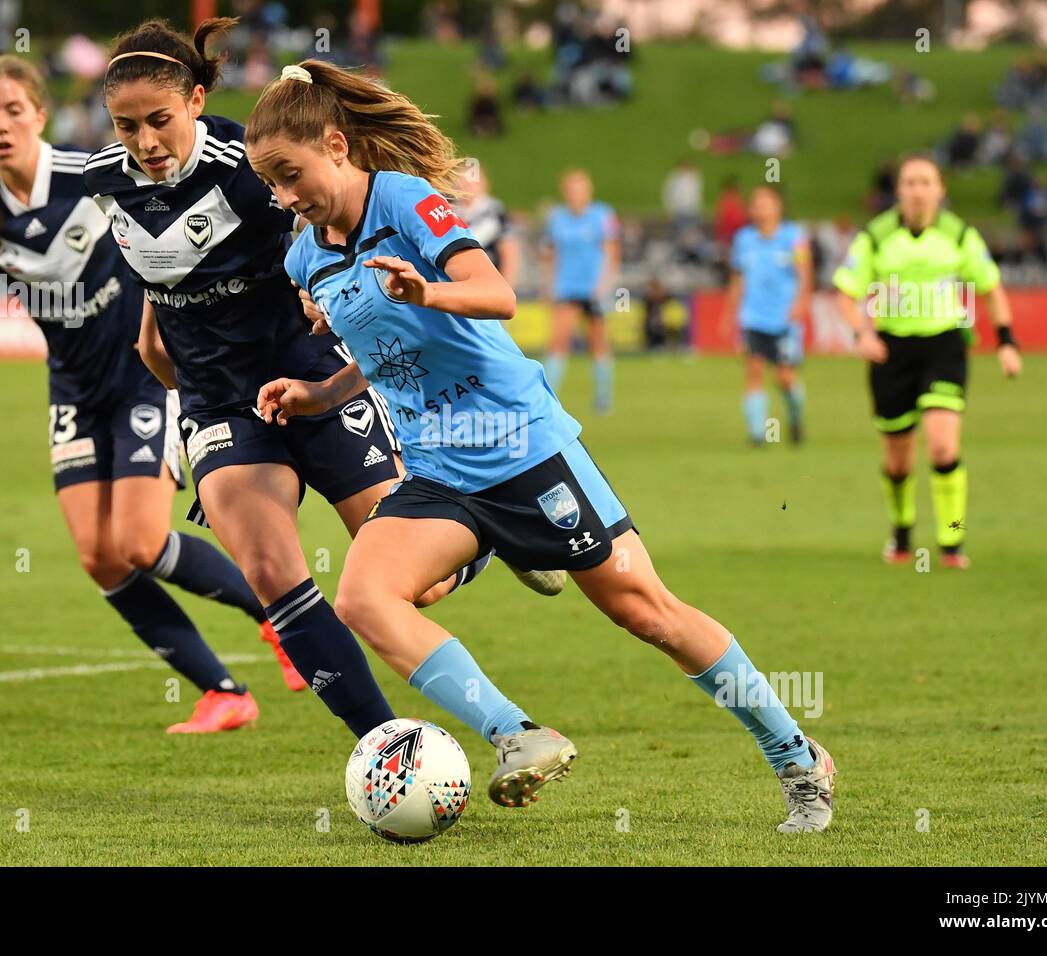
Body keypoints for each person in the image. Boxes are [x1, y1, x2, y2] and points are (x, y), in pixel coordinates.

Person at [248, 60, 837, 832]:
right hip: (434, 464)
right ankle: (518, 735)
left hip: (521, 446)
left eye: (291, 175)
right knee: (364, 596)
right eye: (272, 184)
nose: (286, 197)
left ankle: (799, 758)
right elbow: (388, 349)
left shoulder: (403, 201)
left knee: (645, 611)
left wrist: (429, 291)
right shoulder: (305, 256)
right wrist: (321, 393)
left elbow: (498, 296)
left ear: (336, 144)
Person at [82, 19, 552, 741]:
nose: (144, 142)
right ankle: (386, 748)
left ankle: (490, 539)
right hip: (220, 406)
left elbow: (345, 208)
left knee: (413, 584)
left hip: (315, 377)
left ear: (198, 101)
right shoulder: (103, 182)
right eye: (125, 125)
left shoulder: (252, 165)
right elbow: (157, 273)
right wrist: (184, 380)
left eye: (159, 121)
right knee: (274, 573)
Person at [0, 54, 298, 735]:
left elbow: (176, 192)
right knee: (99, 556)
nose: (1, 123)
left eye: (14, 108)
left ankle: (273, 611)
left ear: (40, 115)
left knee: (137, 541)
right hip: (73, 393)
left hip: (141, 375)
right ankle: (224, 693)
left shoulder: (93, 176)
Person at [833, 153, 1022, 568]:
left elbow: (991, 287)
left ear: (941, 190)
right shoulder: (876, 237)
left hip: (944, 346)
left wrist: (1007, 342)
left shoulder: (959, 235)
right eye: (910, 182)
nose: (918, 190)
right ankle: (901, 535)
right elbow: (845, 294)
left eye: (926, 182)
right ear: (898, 190)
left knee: (941, 446)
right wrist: (861, 333)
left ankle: (952, 542)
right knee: (897, 459)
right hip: (892, 350)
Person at [721, 185, 811, 445]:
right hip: (753, 318)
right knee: (754, 371)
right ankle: (757, 435)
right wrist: (730, 314)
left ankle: (795, 420)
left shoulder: (794, 237)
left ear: (778, 206)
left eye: (766, 202)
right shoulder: (744, 239)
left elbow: (805, 275)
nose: (760, 207)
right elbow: (737, 280)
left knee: (784, 378)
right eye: (756, 203)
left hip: (784, 319)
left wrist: (800, 304)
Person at [540, 168, 620, 413]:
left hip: (593, 289)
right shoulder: (557, 218)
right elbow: (549, 255)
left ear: (588, 190)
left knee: (597, 342)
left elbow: (612, 253)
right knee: (558, 341)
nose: (575, 193)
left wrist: (605, 285)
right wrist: (547, 284)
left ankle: (603, 396)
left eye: (580, 187)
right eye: (571, 188)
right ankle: (548, 398)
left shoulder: (602, 215)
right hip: (566, 287)